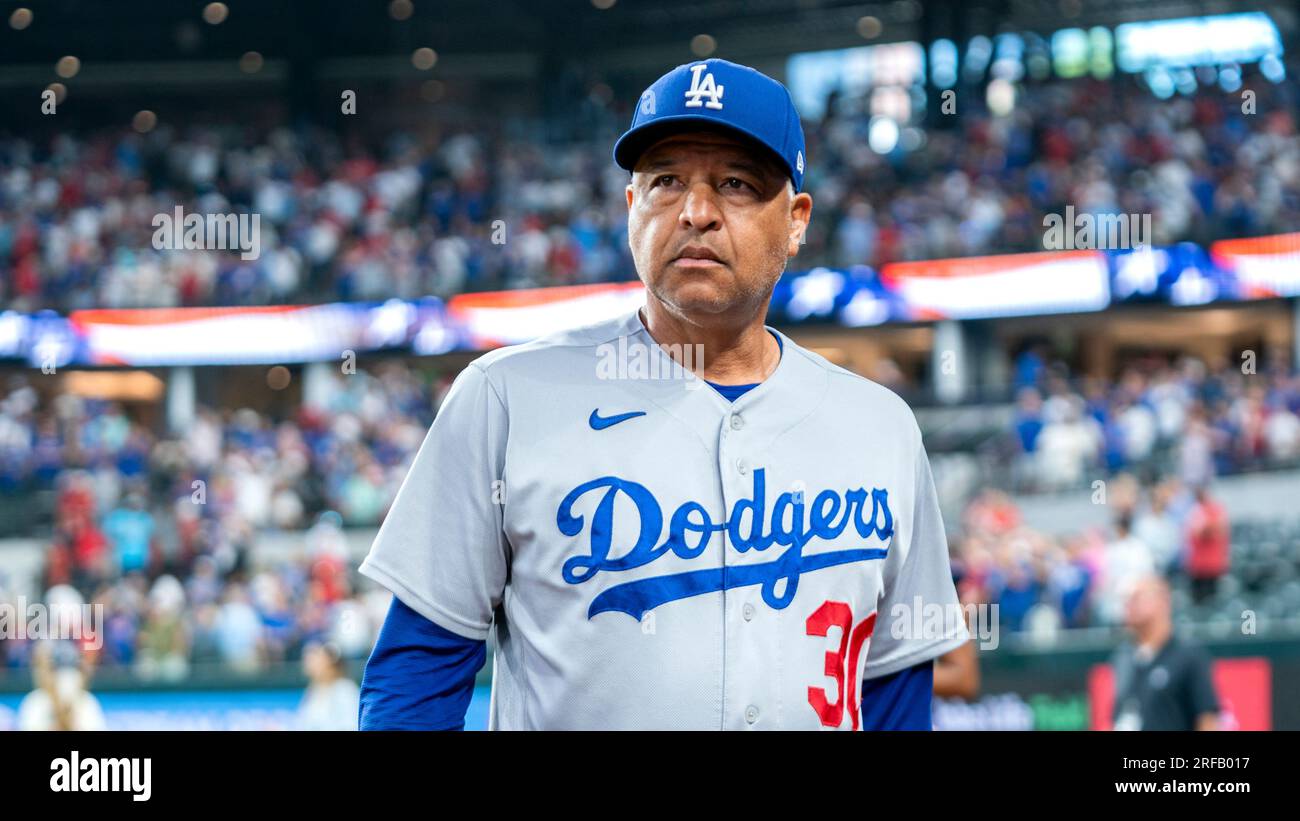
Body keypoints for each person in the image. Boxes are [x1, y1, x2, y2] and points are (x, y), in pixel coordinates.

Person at [357, 59, 967, 730]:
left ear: (796, 221)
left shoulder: (880, 426)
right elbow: (416, 675)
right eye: (666, 181)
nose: (695, 212)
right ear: (630, 207)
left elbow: (894, 690)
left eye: (736, 184)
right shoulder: (504, 398)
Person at [1111, 576, 1219, 731]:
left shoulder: (1188, 654)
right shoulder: (1123, 657)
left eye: (1136, 598)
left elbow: (1207, 718)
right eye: (1126, 600)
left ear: (1163, 601)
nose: (1128, 606)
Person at [296, 642, 361, 731]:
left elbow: (352, 725)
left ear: (329, 661)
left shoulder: (345, 689)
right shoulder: (313, 691)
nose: (308, 662)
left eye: (315, 657)